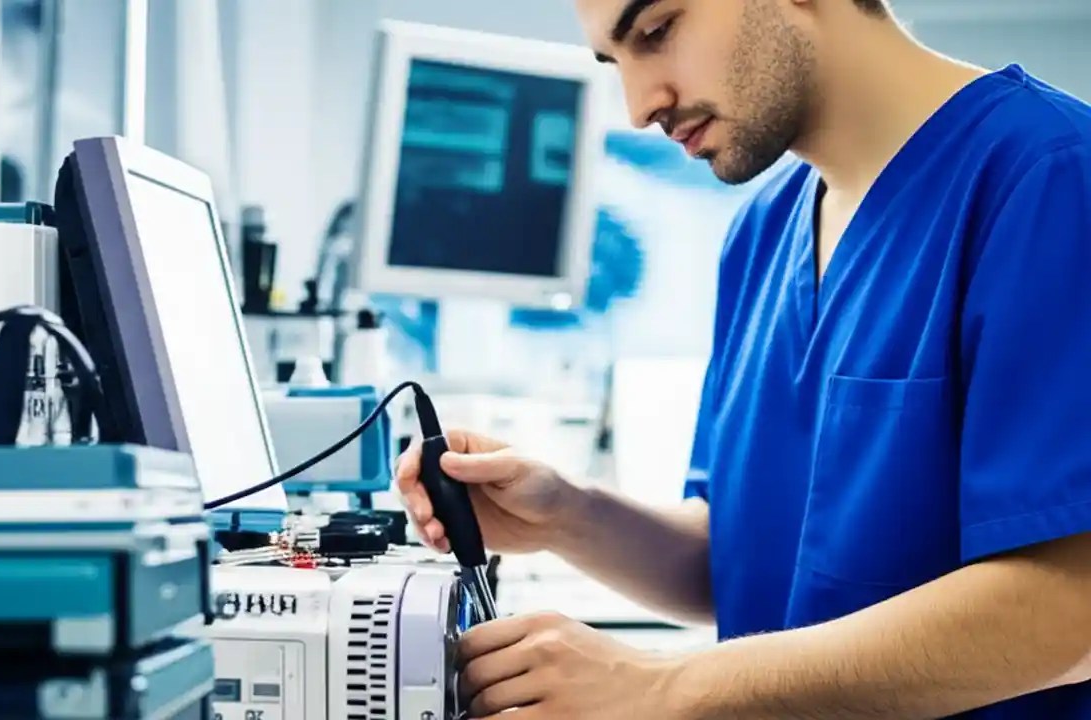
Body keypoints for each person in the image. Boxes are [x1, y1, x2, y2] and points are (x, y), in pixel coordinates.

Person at [395, 0, 1091, 717]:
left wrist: (662, 688)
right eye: (616, 61)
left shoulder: (1048, 177)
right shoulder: (762, 232)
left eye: (657, 32)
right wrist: (568, 516)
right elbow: (739, 559)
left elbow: (1068, 613)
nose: (639, 107)